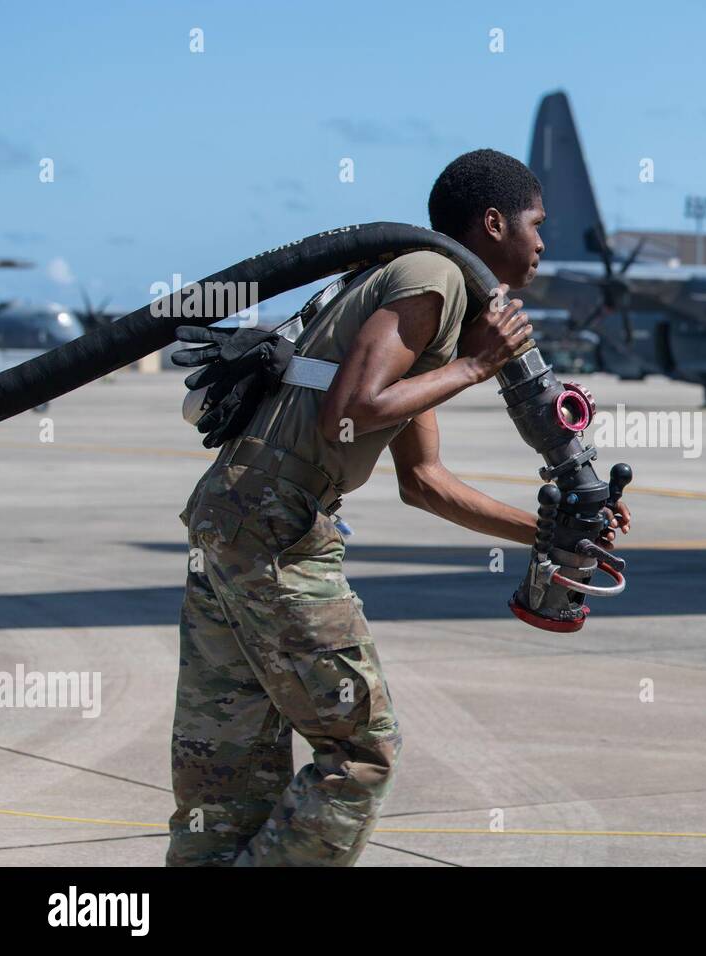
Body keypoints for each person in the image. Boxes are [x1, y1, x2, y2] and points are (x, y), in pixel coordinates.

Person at [166, 148, 631, 866]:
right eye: (537, 225)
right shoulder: (434, 276)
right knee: (361, 754)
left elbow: (425, 481)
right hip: (278, 529)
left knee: (224, 768)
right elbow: (348, 415)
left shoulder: (413, 284)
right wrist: (478, 366)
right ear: (494, 222)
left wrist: (550, 532)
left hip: (233, 519)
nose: (543, 245)